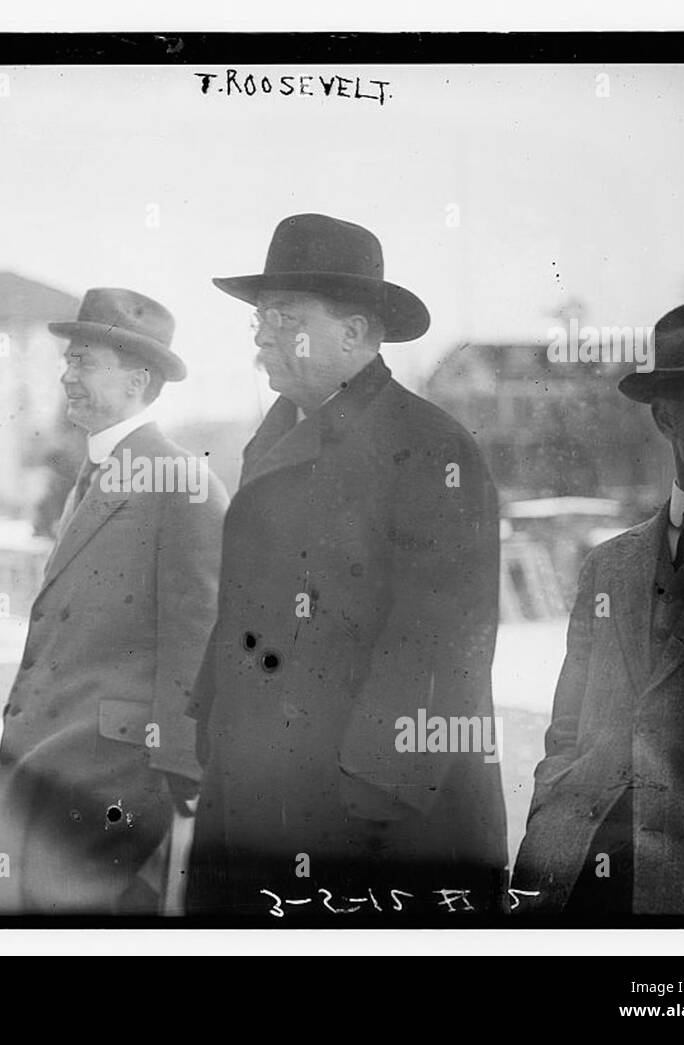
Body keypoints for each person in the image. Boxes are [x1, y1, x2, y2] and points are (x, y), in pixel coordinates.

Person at [185, 214, 508, 919]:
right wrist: (204, 727)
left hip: (371, 825)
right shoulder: (275, 436)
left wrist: (371, 795)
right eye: (261, 318)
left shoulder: (430, 447)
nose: (261, 333)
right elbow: (245, 609)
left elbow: (445, 634)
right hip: (261, 801)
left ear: (355, 333)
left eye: (284, 316)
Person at [0, 288, 227, 915]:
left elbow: (197, 636)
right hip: (50, 758)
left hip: (114, 774)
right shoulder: (95, 475)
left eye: (84, 362)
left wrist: (177, 774)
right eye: (68, 361)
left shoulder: (184, 482)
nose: (66, 376)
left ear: (138, 379)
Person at [512, 296, 684, 917]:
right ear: (666, 417)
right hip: (573, 885)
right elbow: (566, 731)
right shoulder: (610, 565)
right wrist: (544, 837)